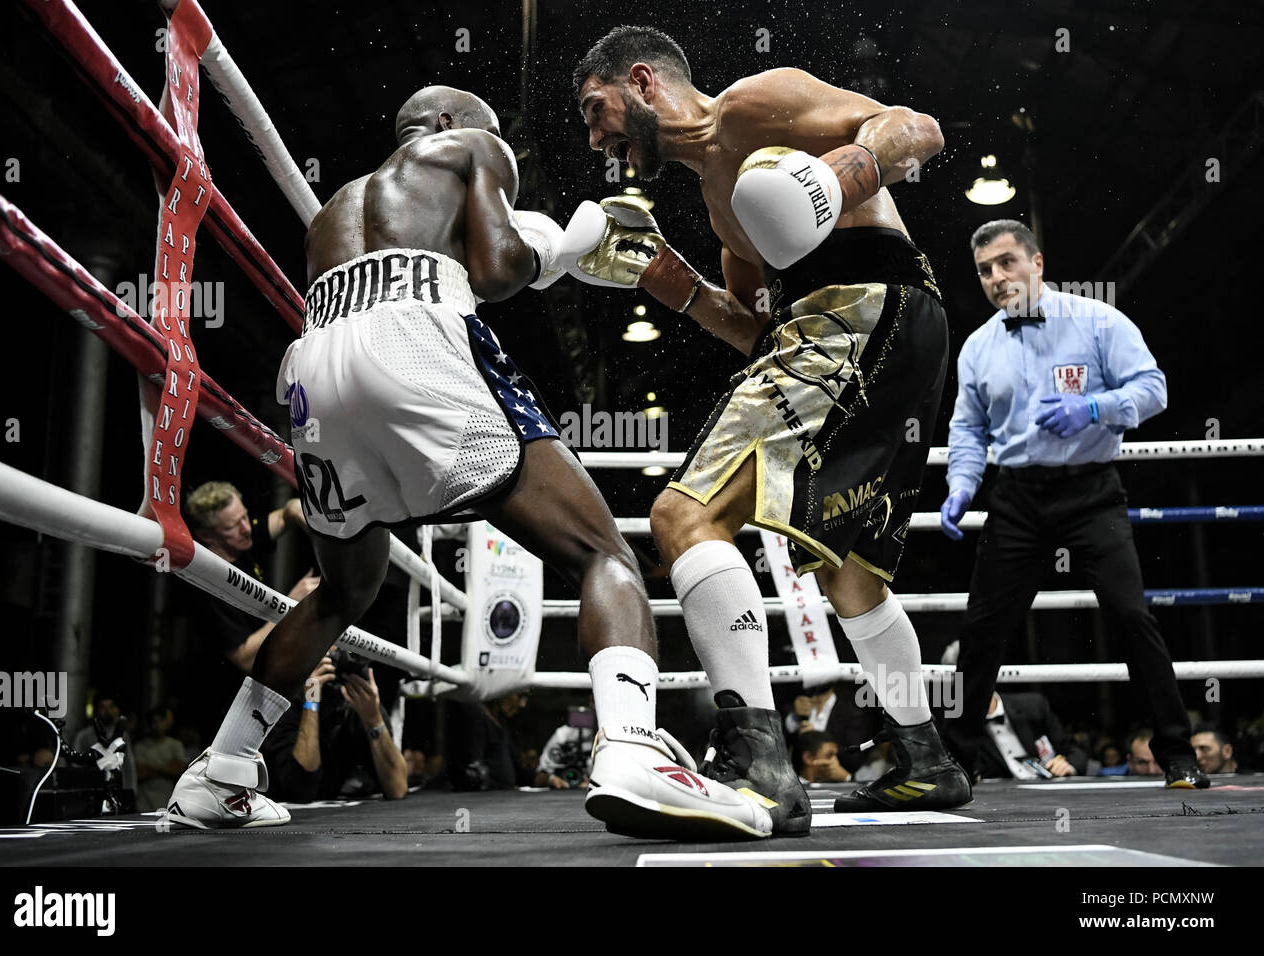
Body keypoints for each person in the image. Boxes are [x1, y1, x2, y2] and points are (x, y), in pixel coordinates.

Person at [167, 85, 771, 839]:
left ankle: (222, 769)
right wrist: (577, 235)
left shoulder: (336, 209)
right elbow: (496, 269)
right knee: (601, 552)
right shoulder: (472, 147)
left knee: (337, 594)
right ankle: (628, 749)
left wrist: (552, 251)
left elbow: (444, 266)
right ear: (453, 125)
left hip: (315, 367)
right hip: (413, 345)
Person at [571, 25, 970, 833]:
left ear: (642, 81)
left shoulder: (754, 106)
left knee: (685, 515)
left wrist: (836, 178)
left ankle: (757, 760)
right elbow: (758, 335)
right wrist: (665, 280)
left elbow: (915, 128)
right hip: (892, 330)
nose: (594, 136)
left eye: (596, 108)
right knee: (850, 573)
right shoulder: (723, 211)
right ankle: (925, 758)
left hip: (862, 311)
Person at [939, 218, 1207, 790]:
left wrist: (1094, 409)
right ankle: (956, 761)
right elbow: (968, 429)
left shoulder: (1098, 320)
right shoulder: (978, 347)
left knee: (1132, 615)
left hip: (1090, 491)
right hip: (1015, 496)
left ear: (1037, 263)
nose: (997, 277)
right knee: (983, 630)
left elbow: (1152, 387)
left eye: (1007, 262)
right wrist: (961, 484)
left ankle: (1179, 754)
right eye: (986, 270)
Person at [185, 481, 320, 674]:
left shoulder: (242, 540)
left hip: (270, 668)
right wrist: (290, 604)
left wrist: (299, 512)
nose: (246, 528)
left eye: (245, 516)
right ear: (206, 536)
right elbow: (244, 659)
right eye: (232, 526)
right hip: (233, 691)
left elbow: (286, 513)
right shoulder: (210, 584)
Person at [261, 651, 407, 801]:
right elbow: (301, 789)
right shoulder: (288, 697)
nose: (334, 654)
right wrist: (311, 700)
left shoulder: (357, 699)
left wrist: (374, 720)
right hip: (280, 804)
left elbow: (398, 788)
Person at [967, 691, 1087, 781]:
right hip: (1001, 802)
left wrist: (1068, 766)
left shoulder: (1033, 707)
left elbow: (1074, 750)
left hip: (1052, 791)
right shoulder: (956, 729)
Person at [133, 706, 189, 811]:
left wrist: (149, 766)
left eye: (160, 721)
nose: (157, 725)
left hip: (166, 801)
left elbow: (179, 771)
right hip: (144, 802)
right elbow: (139, 773)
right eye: (154, 722)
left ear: (166, 722)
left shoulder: (175, 745)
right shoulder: (140, 746)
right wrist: (167, 768)